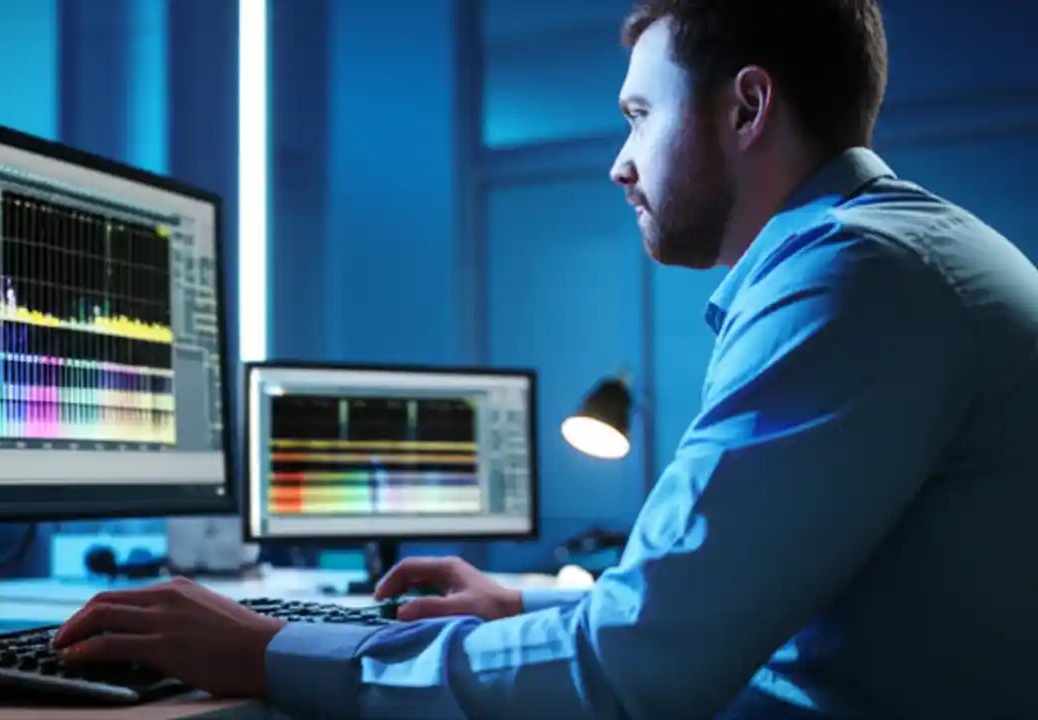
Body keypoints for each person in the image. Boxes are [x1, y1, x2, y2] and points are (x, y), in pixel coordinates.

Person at [51, 0, 1038, 717]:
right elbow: (732, 593)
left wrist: (270, 652)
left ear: (744, 108)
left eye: (638, 116)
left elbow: (634, 673)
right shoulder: (898, 253)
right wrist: (523, 599)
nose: (619, 161)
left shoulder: (853, 278)